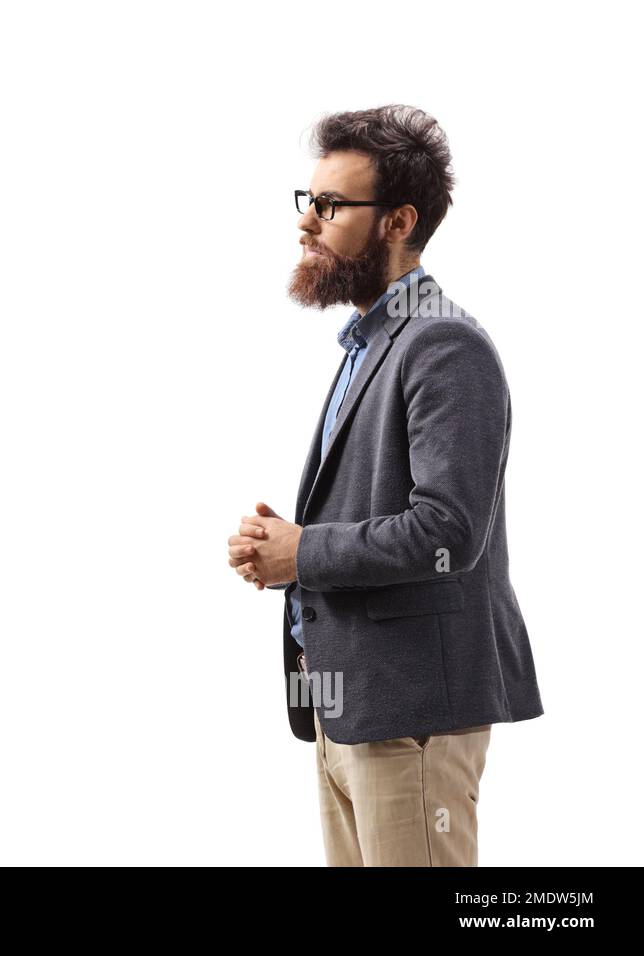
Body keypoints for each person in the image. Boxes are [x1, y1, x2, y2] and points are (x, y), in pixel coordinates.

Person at [226, 104, 542, 866]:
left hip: (412, 717)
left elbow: (447, 533)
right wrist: (281, 548)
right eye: (309, 202)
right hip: (352, 709)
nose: (309, 223)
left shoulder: (442, 343)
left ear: (398, 221)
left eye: (332, 206)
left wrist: (305, 552)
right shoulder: (373, 343)